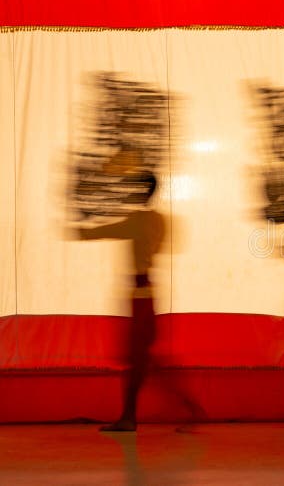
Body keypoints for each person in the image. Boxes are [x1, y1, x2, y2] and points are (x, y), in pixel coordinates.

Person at [79, 171, 165, 431]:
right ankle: (184, 407)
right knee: (145, 360)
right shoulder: (159, 220)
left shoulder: (137, 220)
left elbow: (107, 230)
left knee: (137, 360)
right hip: (148, 294)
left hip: (139, 298)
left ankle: (129, 417)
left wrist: (81, 231)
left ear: (142, 191)